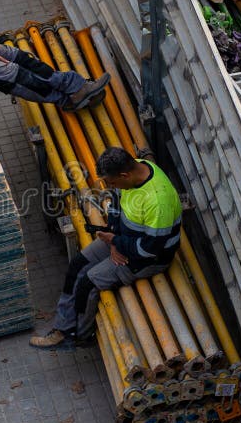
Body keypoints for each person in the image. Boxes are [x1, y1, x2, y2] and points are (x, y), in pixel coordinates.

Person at [30, 147, 183, 348]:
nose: (111, 186)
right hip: (124, 241)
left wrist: (116, 242)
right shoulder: (134, 171)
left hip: (147, 259)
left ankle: (79, 336)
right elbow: (115, 204)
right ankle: (62, 328)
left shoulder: (157, 200)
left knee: (88, 283)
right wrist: (114, 238)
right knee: (77, 265)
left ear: (124, 175)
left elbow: (150, 249)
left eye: (112, 182)